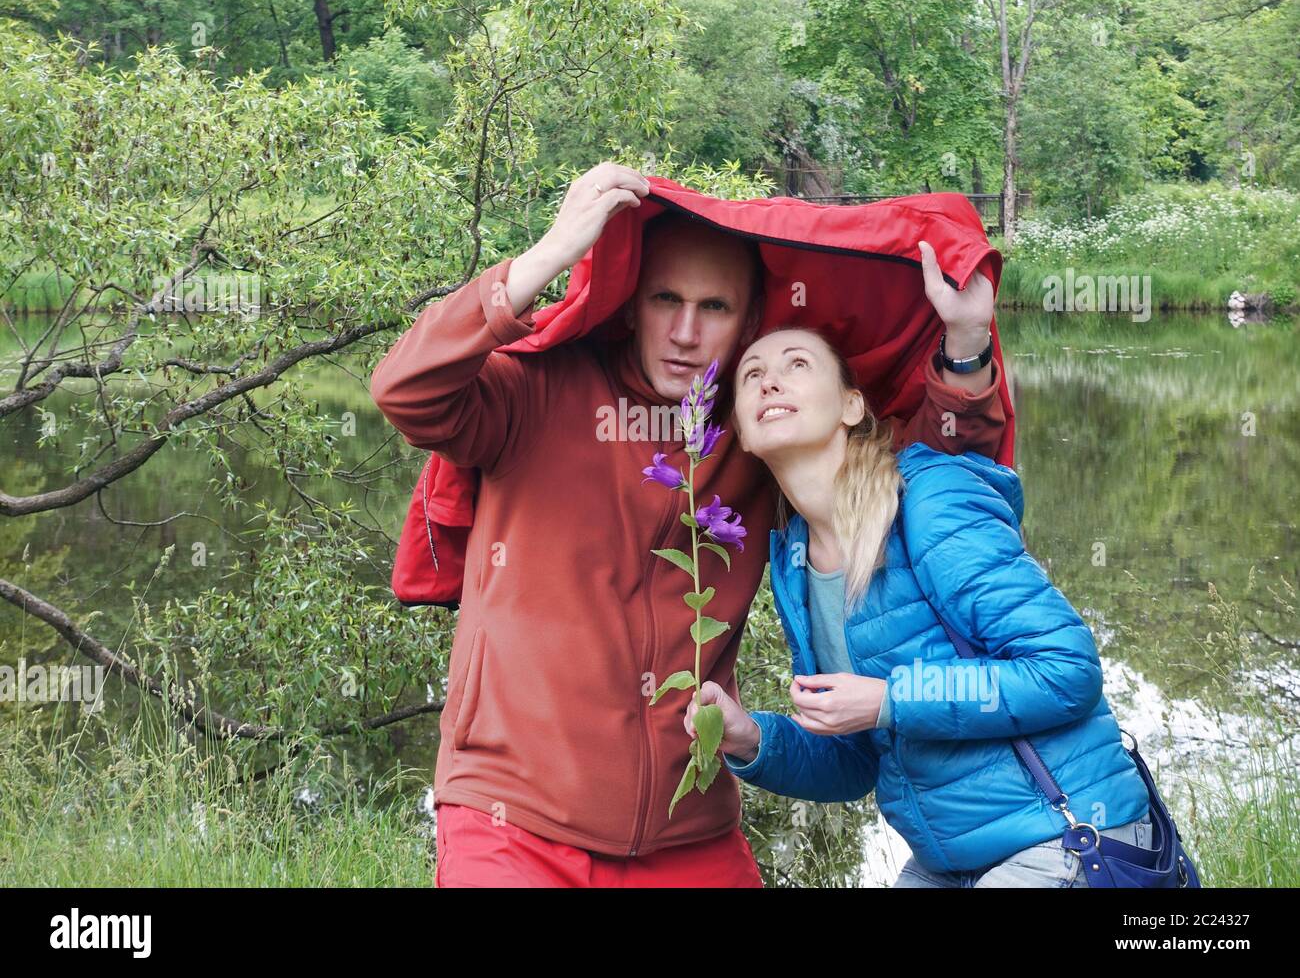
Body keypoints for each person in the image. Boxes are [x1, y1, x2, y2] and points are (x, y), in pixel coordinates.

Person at [369, 161, 1008, 887]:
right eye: (664, 299)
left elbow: (935, 482)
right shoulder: (534, 391)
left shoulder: (760, 433)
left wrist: (965, 344)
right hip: (512, 819)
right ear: (630, 302)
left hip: (688, 830)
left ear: (747, 325)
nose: (683, 330)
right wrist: (552, 252)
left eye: (714, 308)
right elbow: (406, 390)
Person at [685, 321, 1153, 887]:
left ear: (852, 406)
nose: (770, 382)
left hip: (1063, 837)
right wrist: (753, 739)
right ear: (741, 430)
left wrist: (890, 700)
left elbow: (1067, 672)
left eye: (797, 365)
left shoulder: (927, 500)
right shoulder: (793, 564)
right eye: (752, 375)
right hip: (949, 863)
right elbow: (857, 761)